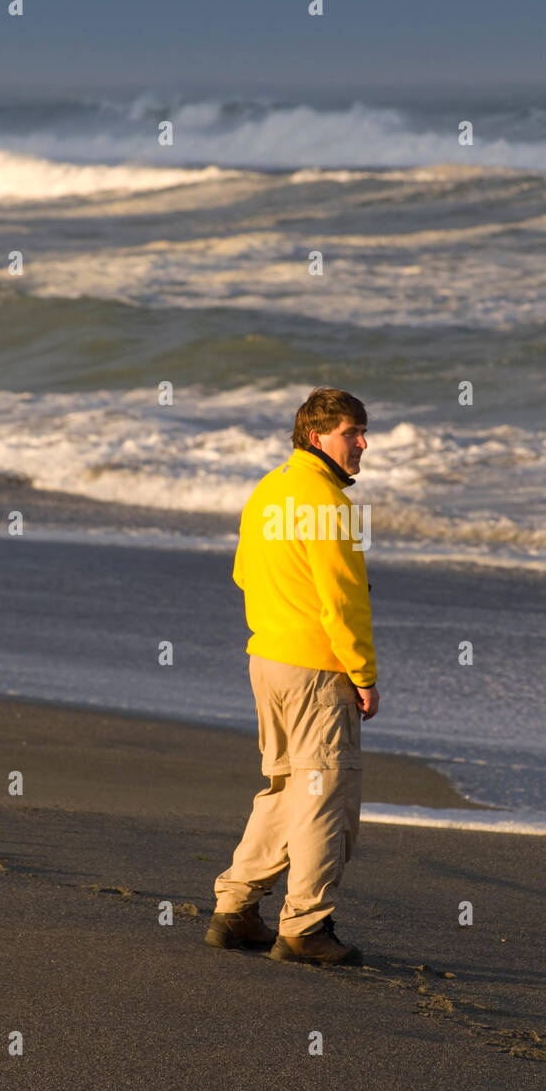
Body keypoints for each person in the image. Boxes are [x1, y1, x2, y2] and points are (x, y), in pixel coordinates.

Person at [205, 386, 379, 965]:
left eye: (361, 431)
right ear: (316, 435)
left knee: (285, 789)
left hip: (267, 662)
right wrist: (363, 673)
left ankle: (234, 910)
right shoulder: (331, 504)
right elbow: (344, 599)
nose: (362, 443)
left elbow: (242, 574)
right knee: (324, 796)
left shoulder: (266, 492)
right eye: (351, 432)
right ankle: (305, 926)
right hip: (316, 668)